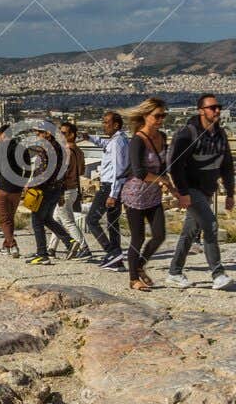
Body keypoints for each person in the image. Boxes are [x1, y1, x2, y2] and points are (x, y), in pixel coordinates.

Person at [168, 94, 236, 290]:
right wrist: (183, 192)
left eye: (218, 107)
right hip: (191, 189)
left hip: (207, 189)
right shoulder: (187, 134)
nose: (217, 110)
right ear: (201, 110)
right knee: (211, 225)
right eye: (212, 107)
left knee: (189, 232)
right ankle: (218, 273)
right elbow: (175, 165)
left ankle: (174, 272)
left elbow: (227, 165)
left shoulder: (220, 135)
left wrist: (230, 193)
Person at [121, 99, 171, 292]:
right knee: (138, 237)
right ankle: (133, 279)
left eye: (163, 115)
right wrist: (162, 179)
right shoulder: (137, 140)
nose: (161, 119)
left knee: (159, 234)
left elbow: (164, 166)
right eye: (157, 116)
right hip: (135, 194)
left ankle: (139, 265)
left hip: (154, 194)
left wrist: (170, 184)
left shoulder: (163, 136)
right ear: (145, 116)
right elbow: (139, 171)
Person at [25, 125, 77, 266]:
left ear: (48, 133)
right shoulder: (61, 149)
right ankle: (69, 241)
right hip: (56, 190)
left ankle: (42, 254)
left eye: (40, 132)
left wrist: (31, 186)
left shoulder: (47, 149)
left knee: (37, 221)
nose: (37, 134)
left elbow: (43, 172)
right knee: (47, 218)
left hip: (45, 190)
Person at [85, 110, 128, 269]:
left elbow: (119, 169)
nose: (103, 125)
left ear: (116, 125)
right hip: (113, 187)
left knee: (91, 220)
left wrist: (113, 194)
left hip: (109, 187)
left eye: (106, 122)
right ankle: (116, 260)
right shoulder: (118, 139)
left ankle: (111, 252)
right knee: (112, 223)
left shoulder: (117, 142)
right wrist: (90, 138)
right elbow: (105, 145)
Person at [56, 123, 92, 260]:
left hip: (64, 190)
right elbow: (82, 171)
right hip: (74, 190)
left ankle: (84, 248)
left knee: (68, 221)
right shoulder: (79, 151)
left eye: (64, 133)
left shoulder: (65, 152)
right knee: (56, 219)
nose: (61, 135)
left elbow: (61, 174)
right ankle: (51, 249)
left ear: (72, 135)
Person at [0, 124, 25, 257]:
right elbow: (27, 168)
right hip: (17, 189)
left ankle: (13, 245)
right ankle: (6, 246)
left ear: (3, 134)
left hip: (3, 188)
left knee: (4, 219)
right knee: (10, 218)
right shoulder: (21, 148)